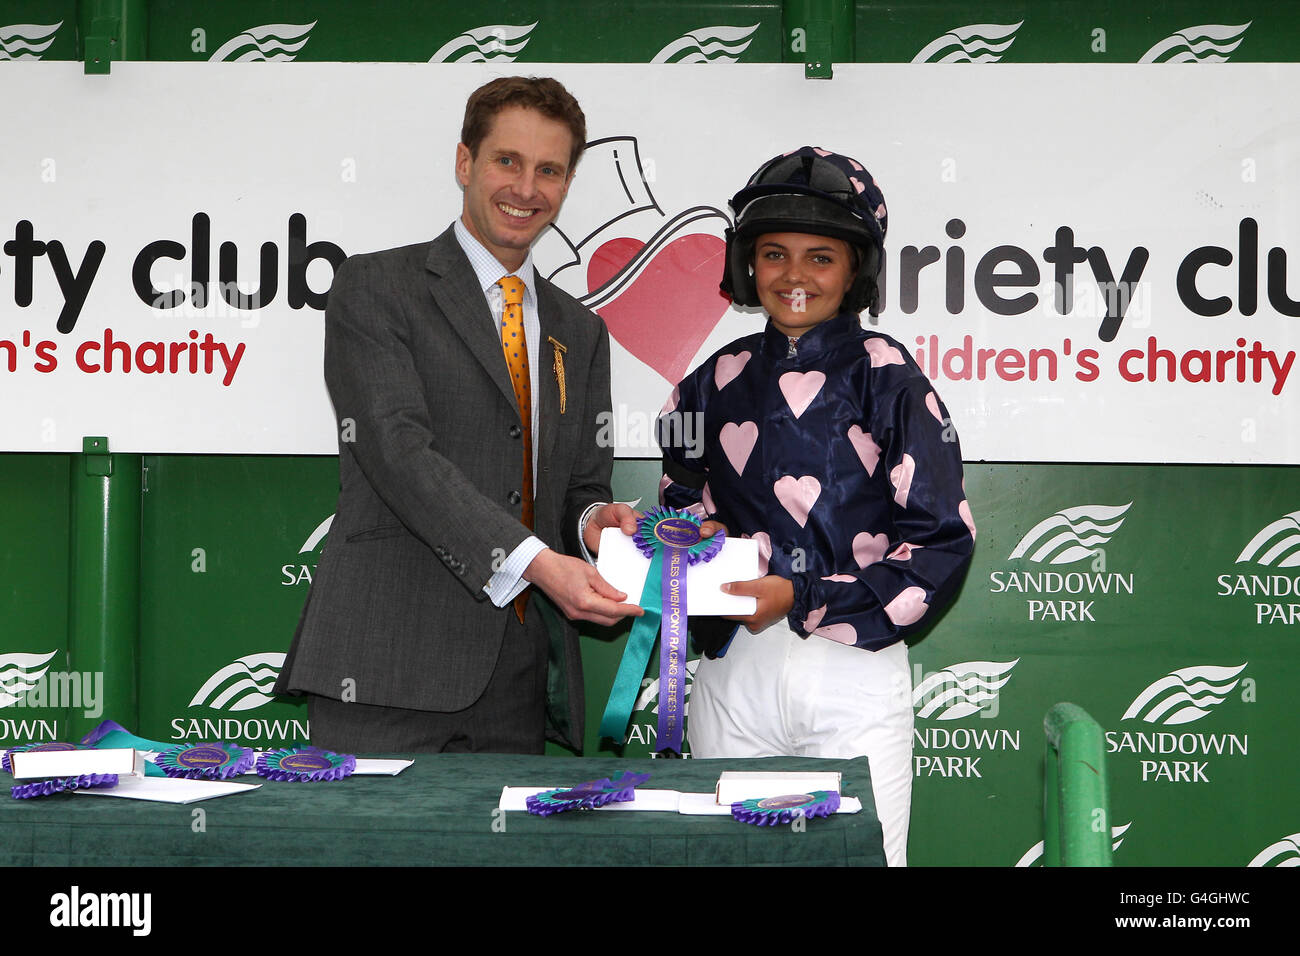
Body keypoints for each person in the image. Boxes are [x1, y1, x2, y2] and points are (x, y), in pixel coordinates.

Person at [275, 76, 641, 756]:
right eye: (508, 161)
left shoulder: (580, 331)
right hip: (385, 665)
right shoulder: (375, 287)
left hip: (521, 679)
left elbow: (580, 486)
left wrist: (597, 525)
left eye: (550, 170)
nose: (526, 188)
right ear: (464, 163)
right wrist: (537, 563)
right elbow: (395, 451)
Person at [660, 147, 976, 865]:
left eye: (821, 257)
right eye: (773, 253)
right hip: (735, 665)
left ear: (856, 269)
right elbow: (678, 500)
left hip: (853, 667)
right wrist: (693, 539)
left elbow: (940, 542)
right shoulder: (710, 381)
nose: (794, 276)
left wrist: (799, 593)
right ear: (746, 265)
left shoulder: (889, 376)